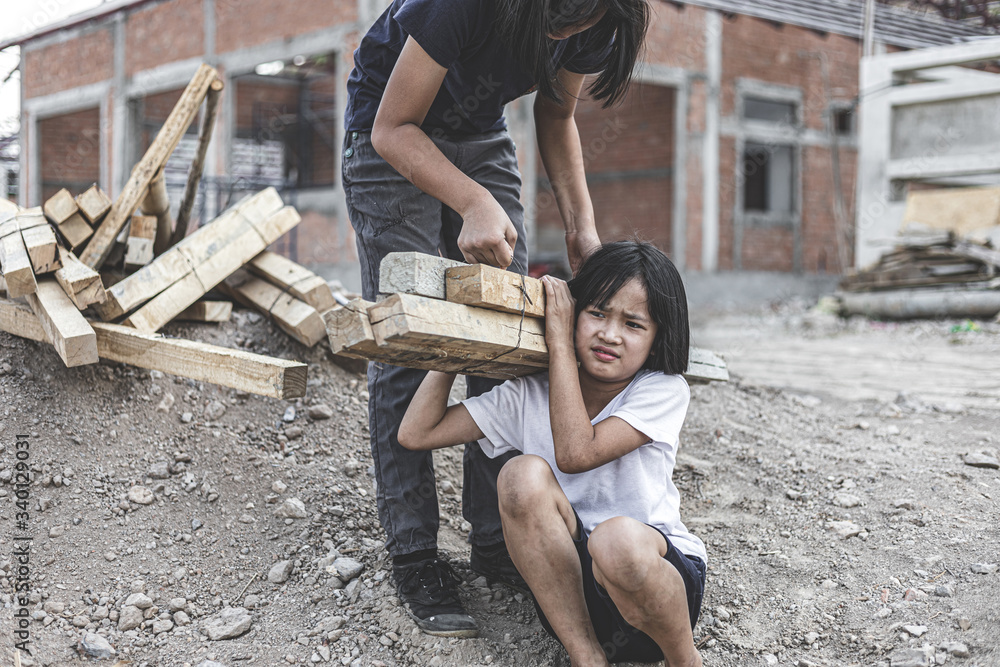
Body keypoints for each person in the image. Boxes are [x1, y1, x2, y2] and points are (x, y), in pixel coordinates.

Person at [342, 0, 652, 638]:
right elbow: (391, 128)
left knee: (509, 339)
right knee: (410, 339)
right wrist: (473, 200)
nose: (562, 38)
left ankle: (494, 539)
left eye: (577, 29)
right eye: (556, 23)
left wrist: (581, 230)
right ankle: (415, 552)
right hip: (391, 125)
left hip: (479, 134)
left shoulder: (600, 15)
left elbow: (558, 111)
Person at [398, 241, 707, 666]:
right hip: (572, 598)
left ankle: (686, 661)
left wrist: (560, 344)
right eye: (597, 313)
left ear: (656, 339)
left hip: (656, 588)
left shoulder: (661, 390)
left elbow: (577, 453)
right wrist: (458, 344)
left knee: (616, 541)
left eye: (633, 324)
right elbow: (417, 433)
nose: (609, 334)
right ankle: (587, 657)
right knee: (520, 475)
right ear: (575, 311)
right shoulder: (529, 395)